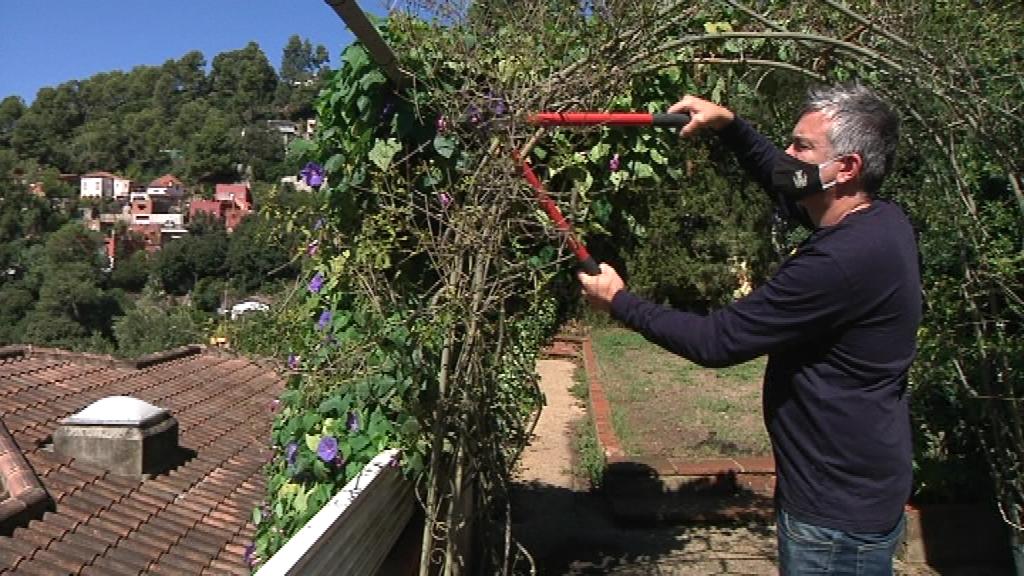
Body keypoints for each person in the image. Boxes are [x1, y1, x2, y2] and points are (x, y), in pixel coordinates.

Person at [578, 83, 921, 576]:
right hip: (858, 486)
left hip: (833, 512)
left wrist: (620, 302)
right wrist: (730, 126)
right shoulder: (882, 221)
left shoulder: (841, 261)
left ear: (846, 168)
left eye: (802, 146)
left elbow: (717, 341)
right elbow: (787, 180)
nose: (789, 154)